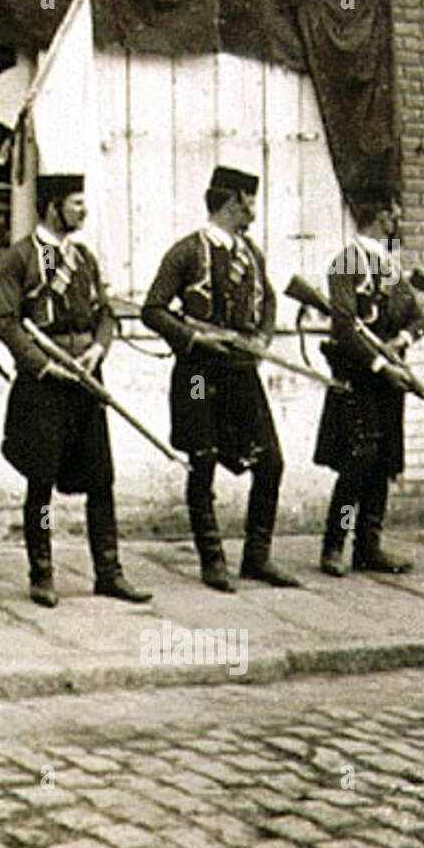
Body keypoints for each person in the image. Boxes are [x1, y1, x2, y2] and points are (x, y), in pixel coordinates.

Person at [0, 173, 152, 608]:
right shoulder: (19, 259)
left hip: (85, 379)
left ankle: (109, 572)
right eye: (76, 203)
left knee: (101, 480)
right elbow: (6, 322)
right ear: (52, 206)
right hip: (43, 384)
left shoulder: (84, 259)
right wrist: (43, 366)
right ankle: (41, 573)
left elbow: (106, 315)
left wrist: (98, 350)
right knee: (40, 482)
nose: (83, 211)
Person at [141, 166, 299, 592]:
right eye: (250, 201)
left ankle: (257, 557)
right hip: (196, 372)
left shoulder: (251, 254)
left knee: (270, 462)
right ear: (233, 202)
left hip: (240, 372)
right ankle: (213, 560)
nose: (254, 210)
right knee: (203, 459)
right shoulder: (187, 252)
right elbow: (152, 310)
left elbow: (267, 302)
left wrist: (261, 340)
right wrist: (193, 337)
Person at [313, 188, 424, 576]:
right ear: (381, 217)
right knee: (357, 463)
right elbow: (344, 325)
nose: (397, 223)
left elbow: (417, 317)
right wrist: (381, 364)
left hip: (388, 381)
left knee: (383, 462)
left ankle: (369, 547)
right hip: (357, 378)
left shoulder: (391, 268)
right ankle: (335, 545)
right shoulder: (346, 263)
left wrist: (401, 341)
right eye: (394, 215)